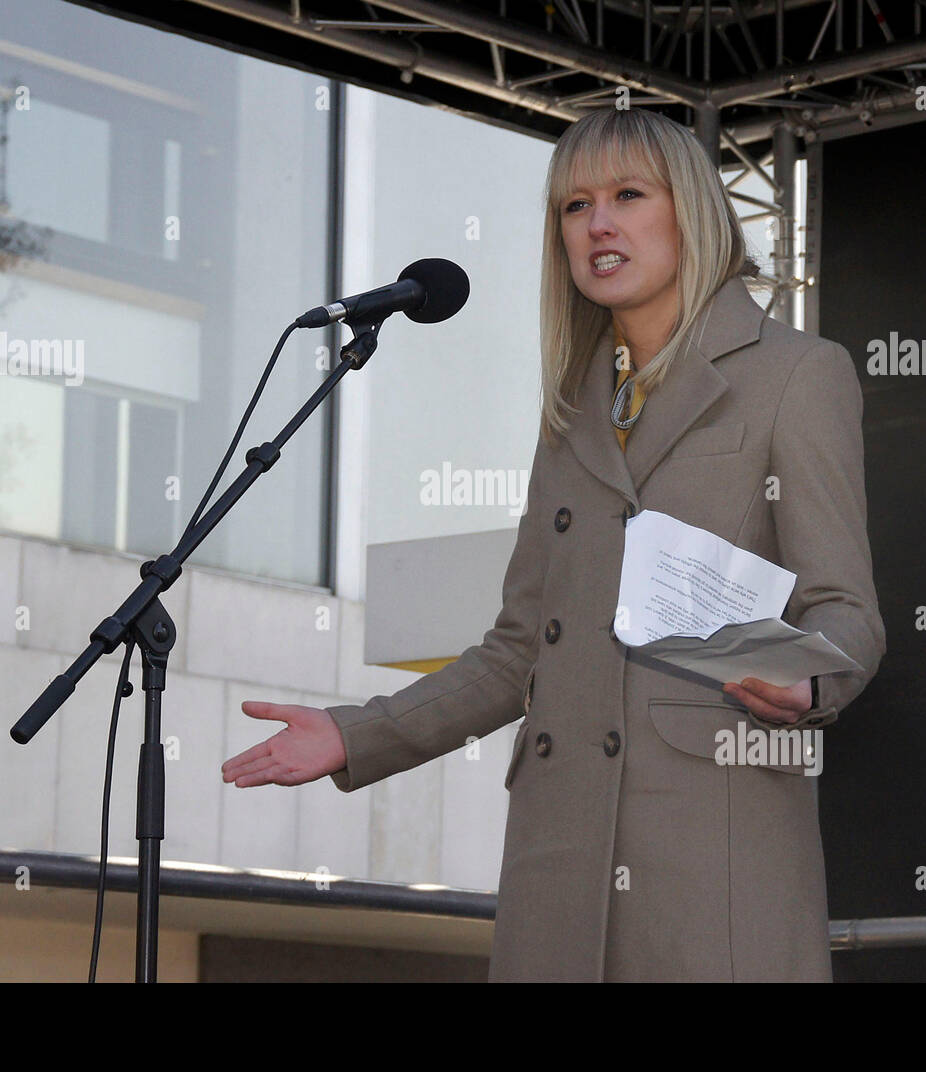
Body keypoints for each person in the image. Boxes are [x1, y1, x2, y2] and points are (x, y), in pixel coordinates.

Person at [222, 107, 886, 982]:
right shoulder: (574, 410)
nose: (598, 223)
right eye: (574, 207)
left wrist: (812, 675)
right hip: (557, 861)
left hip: (711, 870)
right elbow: (517, 652)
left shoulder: (796, 374)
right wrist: (358, 736)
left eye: (626, 196)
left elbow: (848, 611)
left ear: (689, 210)